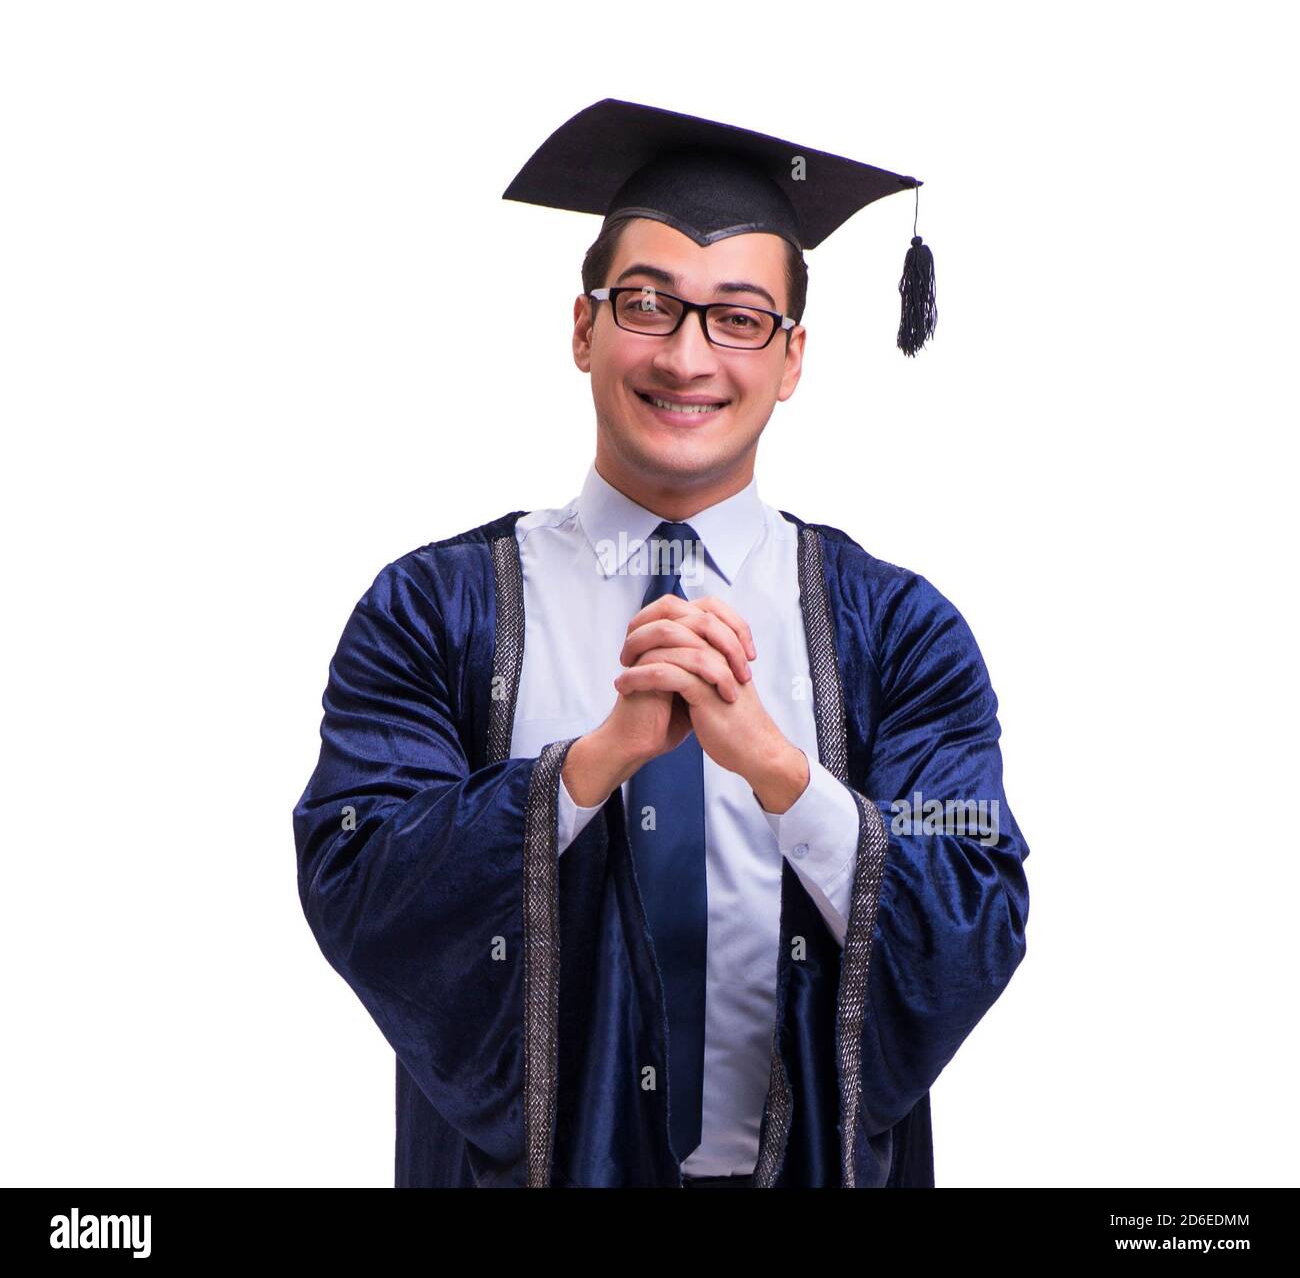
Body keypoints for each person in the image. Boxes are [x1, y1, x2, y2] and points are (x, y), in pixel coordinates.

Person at [292, 99, 1029, 1189]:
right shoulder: (433, 612)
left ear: (790, 360)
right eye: (647, 304)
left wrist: (782, 773)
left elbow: (973, 905)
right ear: (583, 327)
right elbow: (357, 873)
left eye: (738, 318)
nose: (687, 356)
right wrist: (593, 764)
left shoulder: (900, 633)